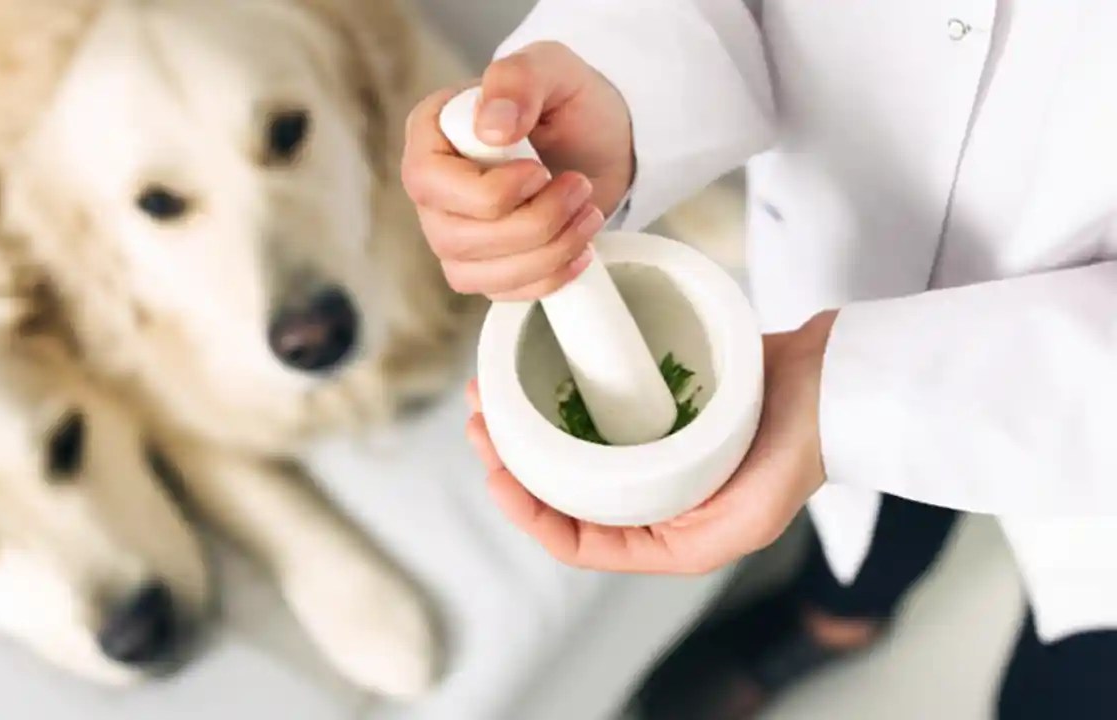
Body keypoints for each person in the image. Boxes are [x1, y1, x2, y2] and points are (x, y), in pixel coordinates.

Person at [399, 1, 1117, 717]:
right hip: (847, 280)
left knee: (1064, 689)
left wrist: (843, 396)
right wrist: (614, 91)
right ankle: (836, 620)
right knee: (863, 526)